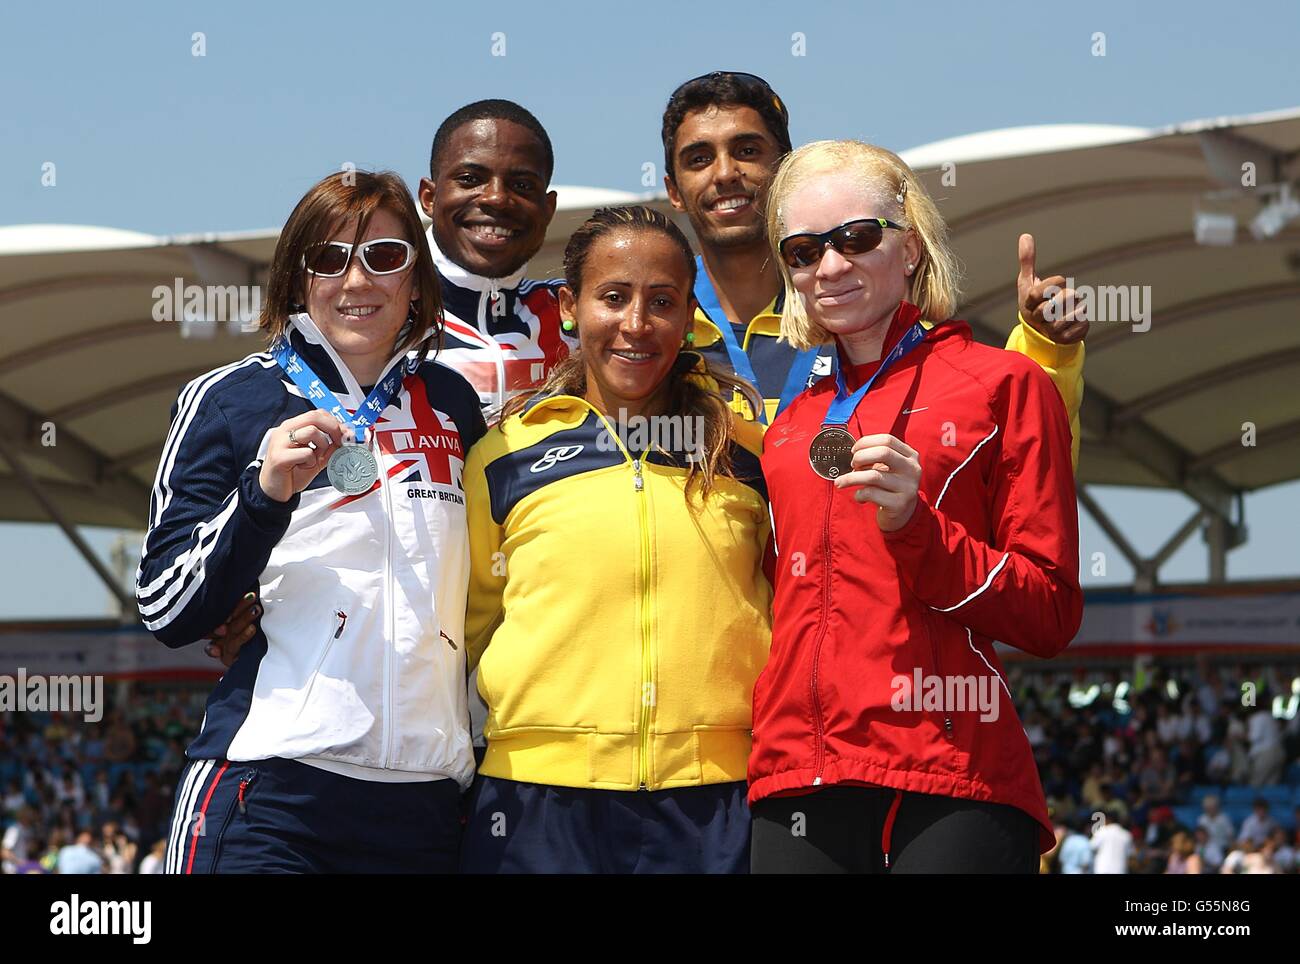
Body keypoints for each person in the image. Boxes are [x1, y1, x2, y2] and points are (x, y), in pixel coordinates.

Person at [748, 140, 1083, 873]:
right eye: (803, 251)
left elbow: (1051, 612)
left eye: (857, 237)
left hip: (951, 769)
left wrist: (921, 530)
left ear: (912, 247)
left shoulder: (1006, 386)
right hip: (796, 772)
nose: (830, 267)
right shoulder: (789, 425)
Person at [135, 170, 484, 873]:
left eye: (385, 256)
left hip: (426, 806)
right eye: (329, 258)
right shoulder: (229, 398)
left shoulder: (455, 404)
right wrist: (261, 498)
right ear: (297, 282)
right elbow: (164, 605)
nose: (357, 280)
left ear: (415, 278)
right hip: (271, 792)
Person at [458, 206, 768, 873]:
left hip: (717, 800)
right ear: (571, 307)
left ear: (690, 318)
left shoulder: (747, 453)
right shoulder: (503, 455)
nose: (636, 324)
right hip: (534, 799)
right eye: (613, 297)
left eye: (661, 302)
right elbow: (462, 631)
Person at [661, 71, 1088, 435]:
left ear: (787, 169)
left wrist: (1046, 349)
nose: (725, 174)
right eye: (698, 159)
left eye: (747, 151)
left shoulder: (864, 309)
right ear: (674, 191)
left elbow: (1016, 442)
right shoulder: (655, 328)